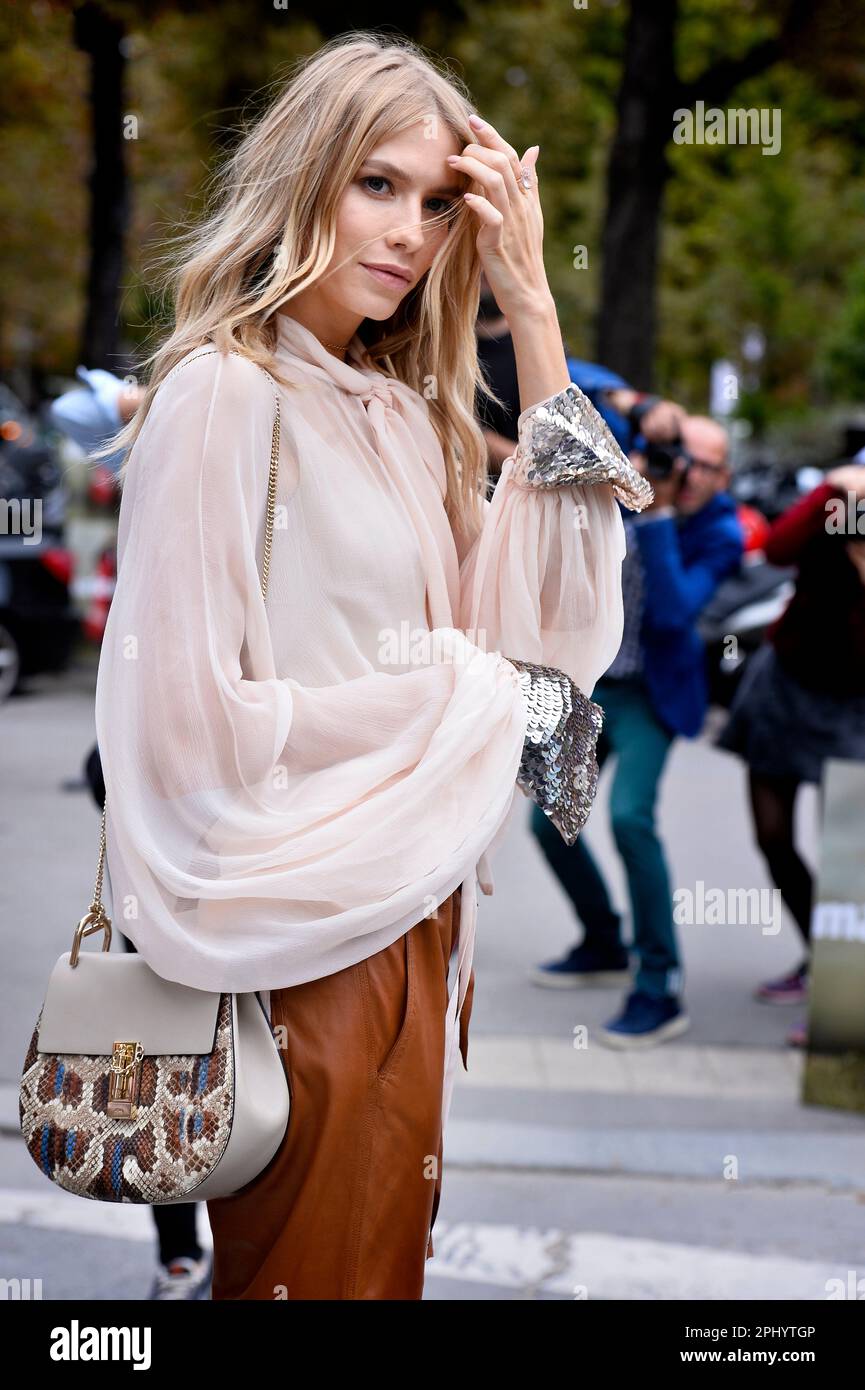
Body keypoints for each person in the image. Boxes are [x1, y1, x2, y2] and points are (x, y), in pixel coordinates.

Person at [90, 32, 651, 1301]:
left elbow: (551, 636)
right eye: (376, 185)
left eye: (440, 203)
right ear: (305, 181)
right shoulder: (222, 396)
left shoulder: (402, 413)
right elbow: (187, 722)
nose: (408, 231)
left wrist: (532, 305)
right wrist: (452, 701)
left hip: (414, 920)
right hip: (295, 937)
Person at [50, 372, 210, 1300]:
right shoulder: (184, 445)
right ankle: (181, 1248)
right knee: (163, 1037)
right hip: (171, 807)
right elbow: (85, 413)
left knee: (174, 1042)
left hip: (213, 817)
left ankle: (191, 1248)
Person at [531, 416, 744, 1047]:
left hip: (653, 695)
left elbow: (677, 612)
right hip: (593, 686)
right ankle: (604, 939)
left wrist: (654, 523)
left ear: (723, 475)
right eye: (681, 456)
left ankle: (660, 984)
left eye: (704, 464)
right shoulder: (623, 491)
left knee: (629, 819)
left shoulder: (719, 531)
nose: (689, 472)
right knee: (547, 821)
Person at [717, 463, 865, 1045]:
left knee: (846, 858)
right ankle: (819, 957)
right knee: (773, 835)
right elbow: (778, 549)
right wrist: (835, 489)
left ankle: (843, 1015)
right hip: (788, 682)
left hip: (855, 703)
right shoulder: (839, 499)